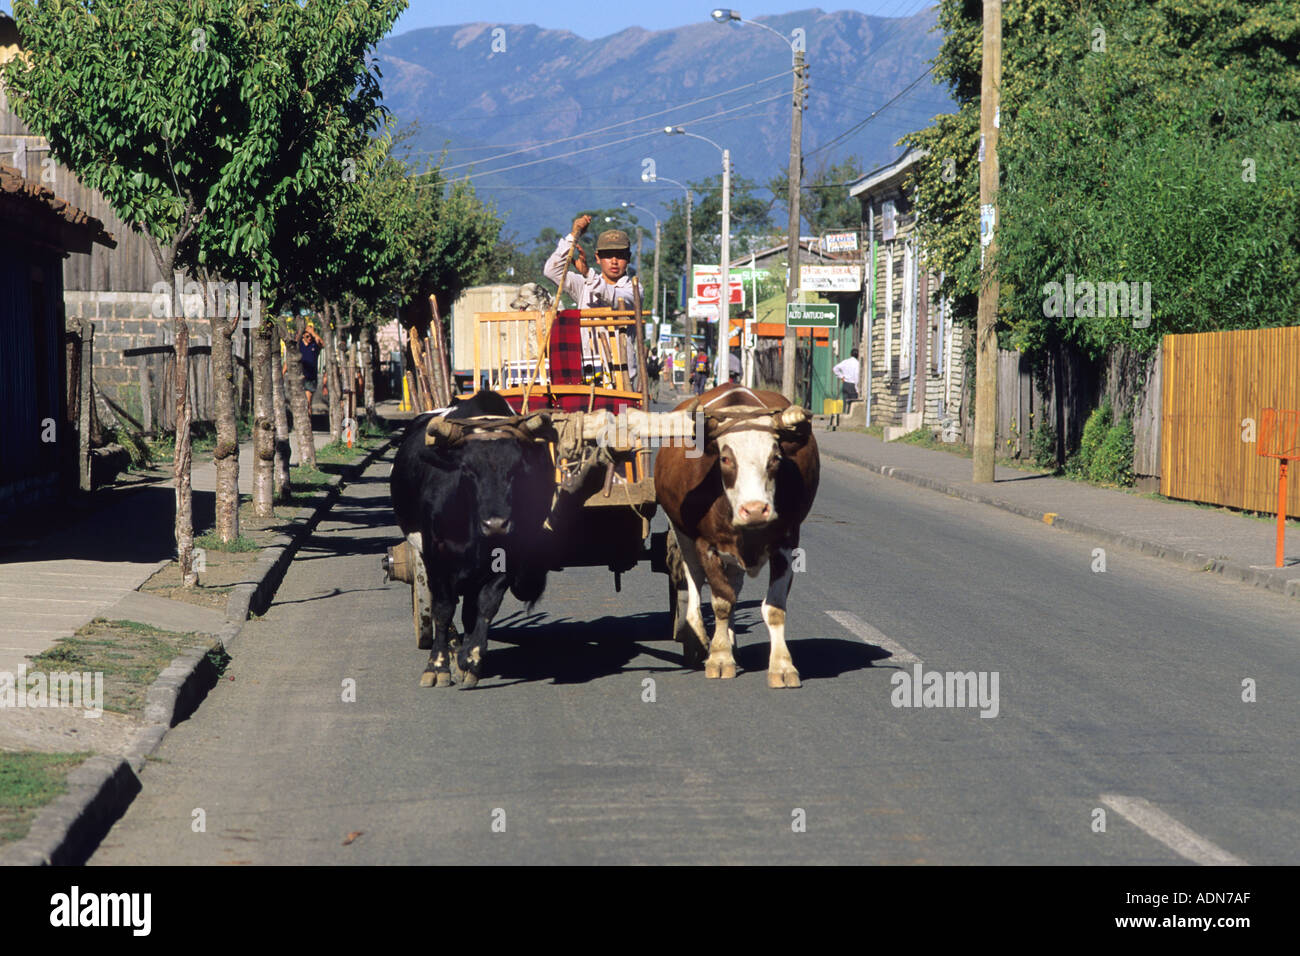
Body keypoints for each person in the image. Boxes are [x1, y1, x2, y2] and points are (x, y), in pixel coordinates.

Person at [544, 214, 639, 390]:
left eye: (620, 255)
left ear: (629, 257)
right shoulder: (583, 285)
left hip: (622, 379)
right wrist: (573, 235)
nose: (614, 261)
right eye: (607, 255)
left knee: (624, 417)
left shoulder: (633, 289)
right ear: (597, 258)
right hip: (587, 376)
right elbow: (551, 271)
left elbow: (613, 296)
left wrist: (588, 273)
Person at [298, 325, 323, 409]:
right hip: (299, 376)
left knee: (307, 402)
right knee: (301, 403)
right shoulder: (299, 345)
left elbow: (323, 344)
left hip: (310, 377)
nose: (310, 338)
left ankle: (308, 420)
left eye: (311, 336)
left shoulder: (314, 345)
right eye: (307, 336)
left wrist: (313, 332)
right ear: (303, 335)